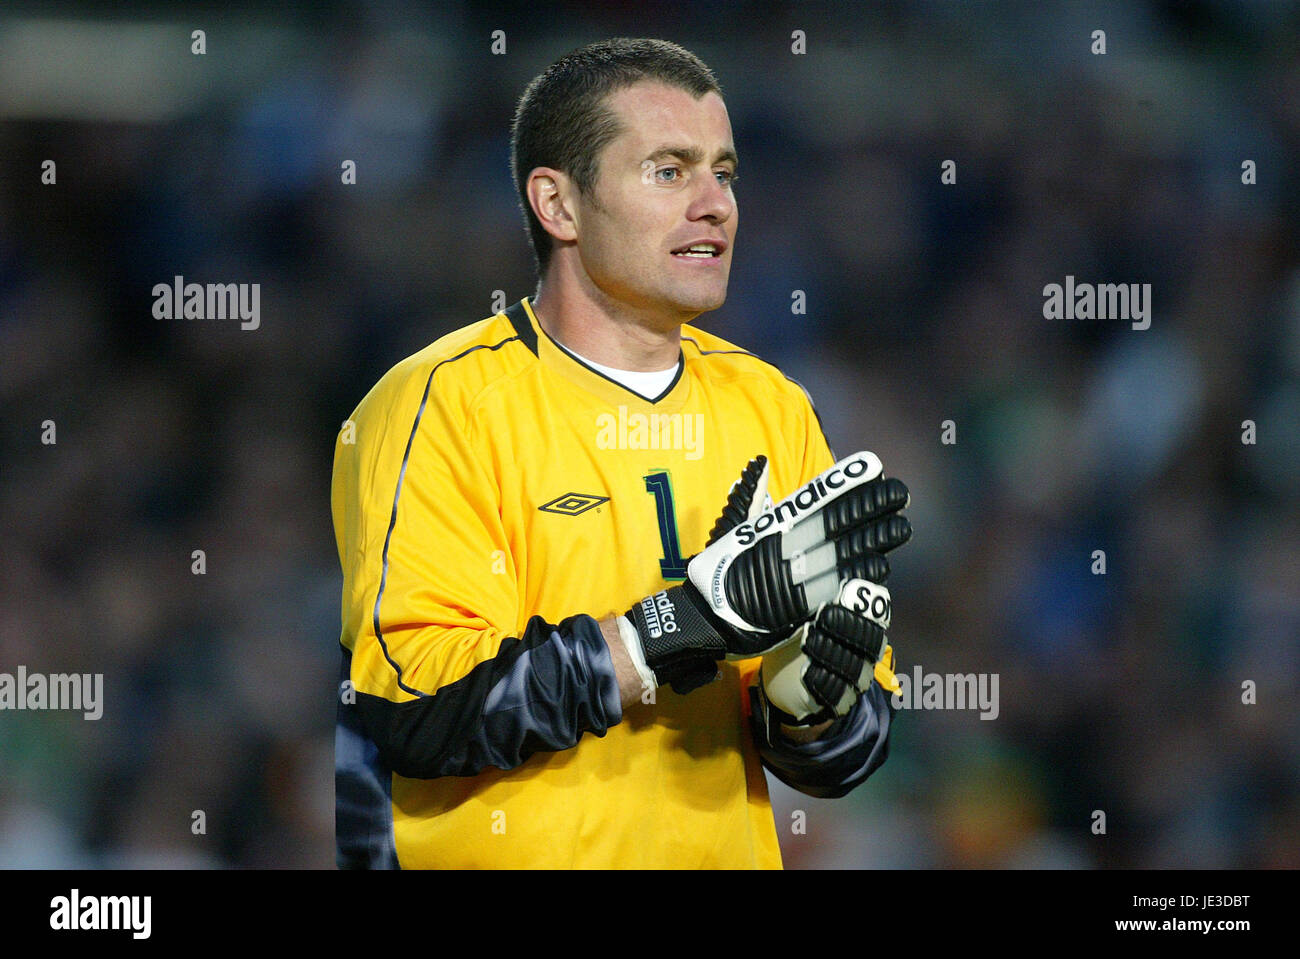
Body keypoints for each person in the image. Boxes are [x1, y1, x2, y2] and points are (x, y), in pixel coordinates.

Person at [332, 37, 911, 869]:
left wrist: (811, 708)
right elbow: (420, 711)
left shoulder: (773, 407)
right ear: (558, 205)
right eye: (669, 170)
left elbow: (850, 756)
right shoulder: (438, 403)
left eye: (725, 172)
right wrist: (680, 626)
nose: (715, 203)